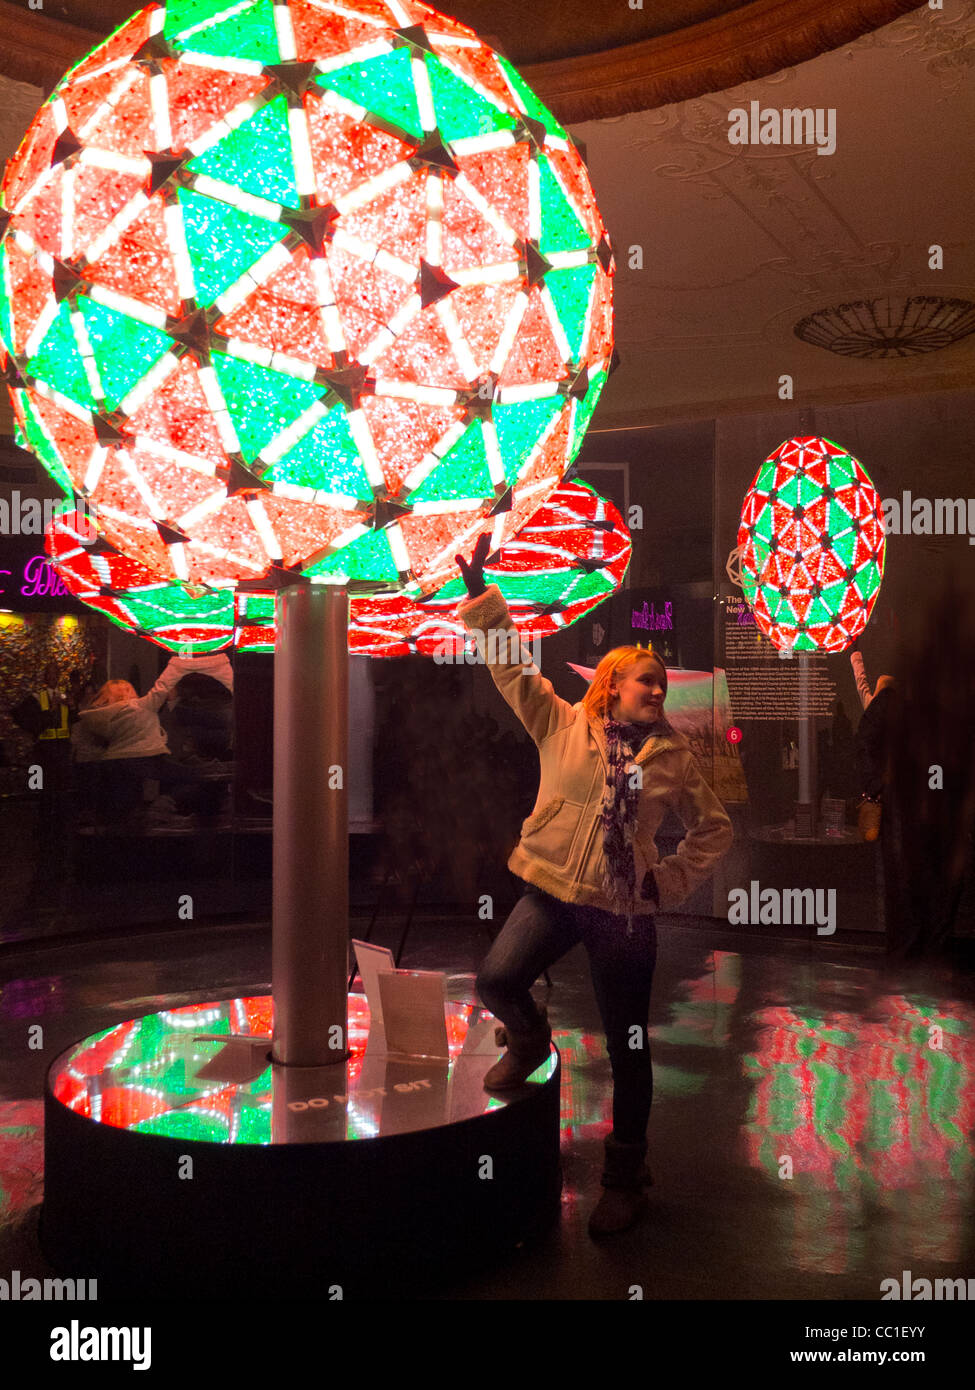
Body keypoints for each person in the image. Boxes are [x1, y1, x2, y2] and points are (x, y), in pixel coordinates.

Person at [455, 535, 733, 1237]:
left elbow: (714, 829)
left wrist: (663, 881)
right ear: (612, 682)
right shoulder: (561, 725)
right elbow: (514, 672)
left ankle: (624, 1175)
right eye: (646, 680)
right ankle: (525, 1040)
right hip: (551, 888)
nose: (657, 691)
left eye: (663, 686)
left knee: (628, 1047)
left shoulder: (673, 757)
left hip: (622, 914)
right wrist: (482, 598)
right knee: (495, 981)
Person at [73, 652, 233, 826]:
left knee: (123, 807)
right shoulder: (140, 707)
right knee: (188, 774)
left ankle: (126, 830)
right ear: (127, 691)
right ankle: (170, 807)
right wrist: (178, 662)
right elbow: (162, 686)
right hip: (144, 756)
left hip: (116, 760)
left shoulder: (104, 714)